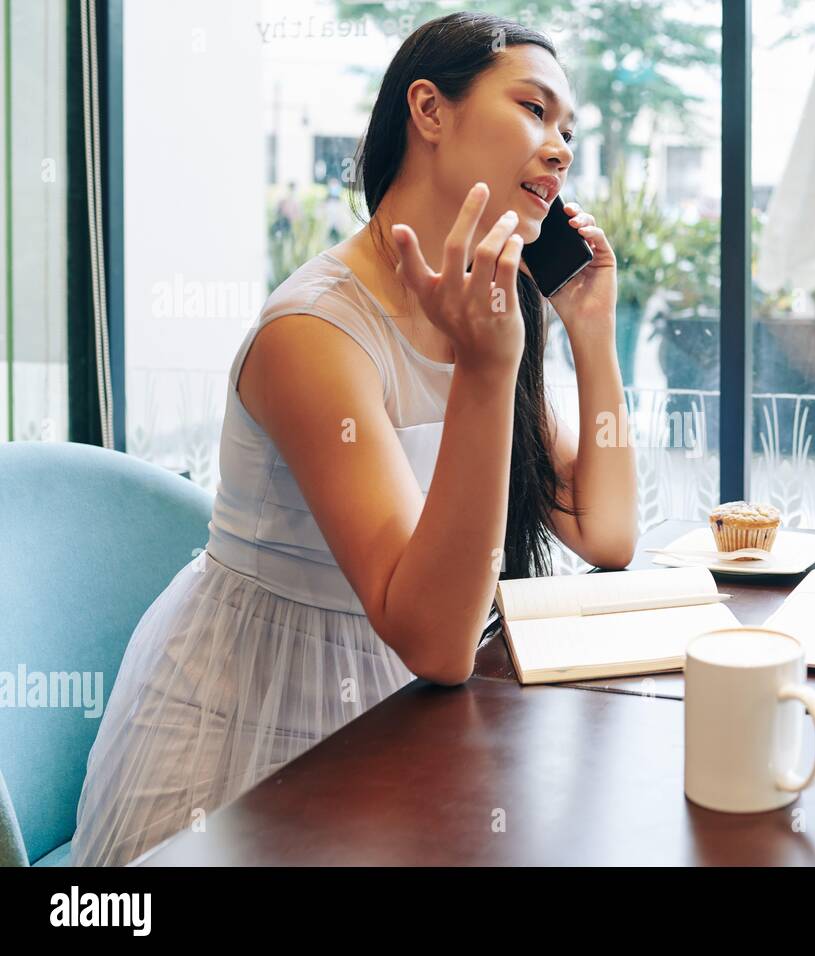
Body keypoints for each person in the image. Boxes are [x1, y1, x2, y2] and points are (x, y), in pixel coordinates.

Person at [69, 10, 636, 867]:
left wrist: (591, 332)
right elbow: (439, 642)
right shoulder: (316, 332)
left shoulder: (492, 304)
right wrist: (485, 371)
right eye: (533, 109)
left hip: (405, 712)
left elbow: (609, 532)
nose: (559, 148)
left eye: (568, 131)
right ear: (430, 112)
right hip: (247, 749)